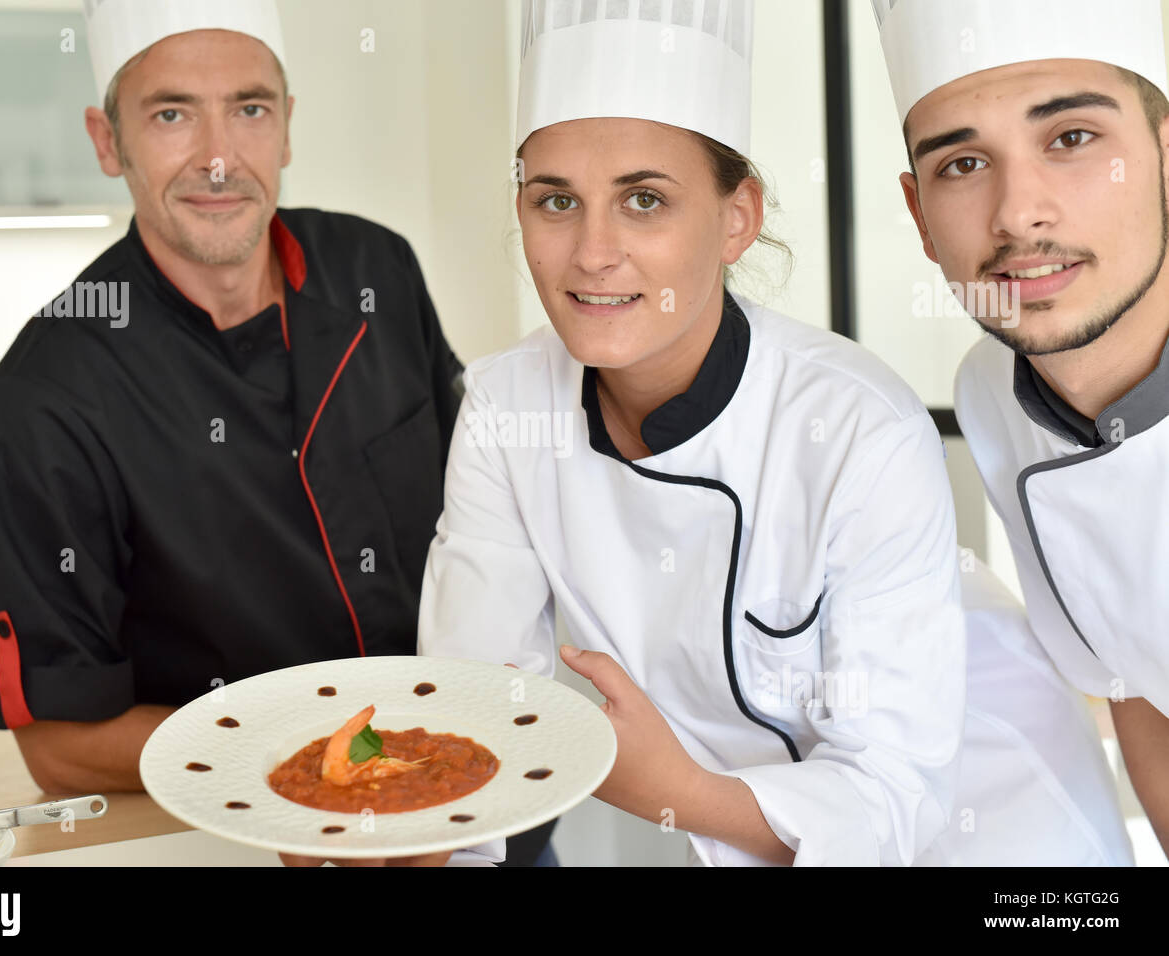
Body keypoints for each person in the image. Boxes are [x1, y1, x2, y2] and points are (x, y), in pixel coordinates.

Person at [418, 0, 1132, 865]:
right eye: (556, 200)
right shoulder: (504, 409)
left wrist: (678, 794)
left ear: (736, 218)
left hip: (994, 826)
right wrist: (410, 833)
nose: (592, 253)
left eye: (644, 200)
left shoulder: (859, 425)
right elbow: (470, 710)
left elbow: (892, 800)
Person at [0, 0, 545, 866]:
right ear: (106, 140)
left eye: (249, 107)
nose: (217, 157)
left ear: (286, 127)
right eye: (170, 114)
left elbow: (485, 518)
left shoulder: (375, 269)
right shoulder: (42, 404)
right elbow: (60, 747)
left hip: (484, 814)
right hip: (250, 844)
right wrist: (324, 765)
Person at [875, 0, 1169, 856]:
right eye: (963, 163)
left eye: (1072, 138)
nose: (1017, 214)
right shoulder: (991, 392)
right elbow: (1136, 685)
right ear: (920, 214)